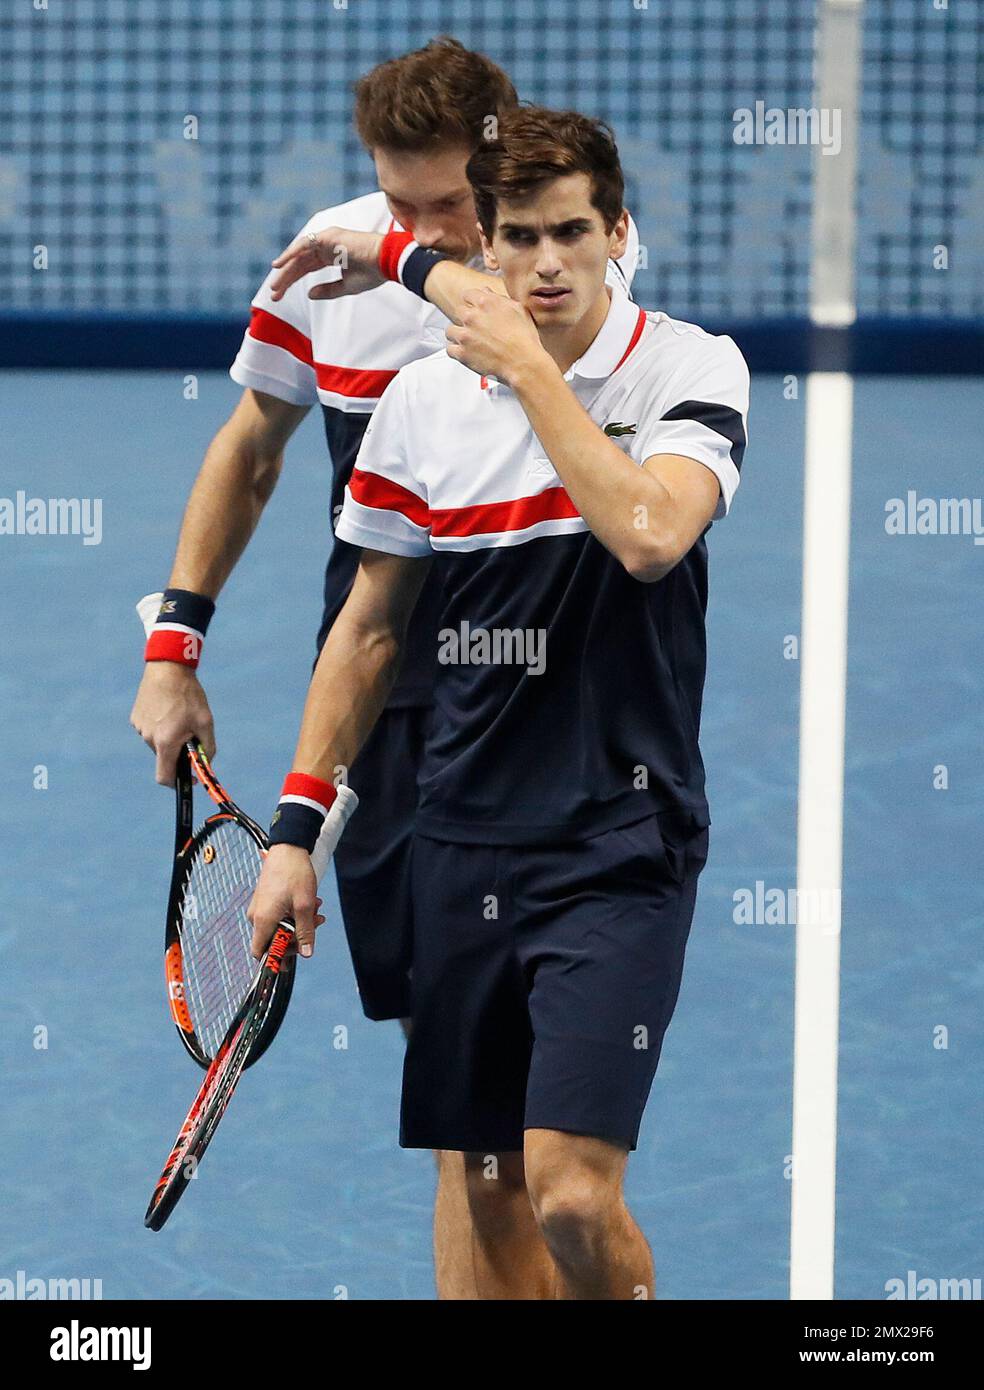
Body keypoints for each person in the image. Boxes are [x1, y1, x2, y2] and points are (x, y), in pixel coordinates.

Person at [129, 37, 638, 1300]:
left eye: (446, 203)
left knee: (550, 1152)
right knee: (468, 1127)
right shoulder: (335, 254)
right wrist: (174, 644)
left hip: (556, 718)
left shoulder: (560, 262)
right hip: (394, 715)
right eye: (394, 200)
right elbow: (251, 445)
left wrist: (414, 257)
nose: (409, 226)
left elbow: (477, 308)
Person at [248, 105, 749, 1299]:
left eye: (572, 231)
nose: (546, 262)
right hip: (460, 832)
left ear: (619, 231)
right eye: (517, 236)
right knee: (485, 1182)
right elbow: (368, 631)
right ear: (491, 246)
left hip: (619, 840)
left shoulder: (690, 365)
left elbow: (648, 535)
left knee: (572, 1191)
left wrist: (529, 376)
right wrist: (294, 829)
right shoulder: (421, 405)